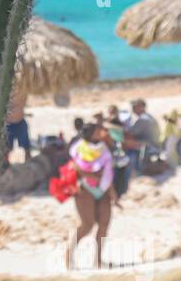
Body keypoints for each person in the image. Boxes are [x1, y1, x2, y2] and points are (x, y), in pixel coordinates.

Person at [66, 123, 116, 270]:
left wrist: (112, 190)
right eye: (98, 130)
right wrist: (94, 175)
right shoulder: (79, 148)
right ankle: (69, 256)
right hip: (84, 189)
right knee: (87, 225)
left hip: (104, 188)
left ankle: (98, 261)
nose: (102, 132)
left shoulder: (104, 146)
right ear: (91, 134)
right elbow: (77, 168)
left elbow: (108, 170)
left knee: (104, 223)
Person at [124, 99, 160, 163]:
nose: (133, 109)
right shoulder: (147, 117)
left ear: (142, 107)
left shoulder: (143, 119)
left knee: (125, 142)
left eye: (135, 107)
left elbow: (131, 133)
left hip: (150, 145)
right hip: (153, 143)